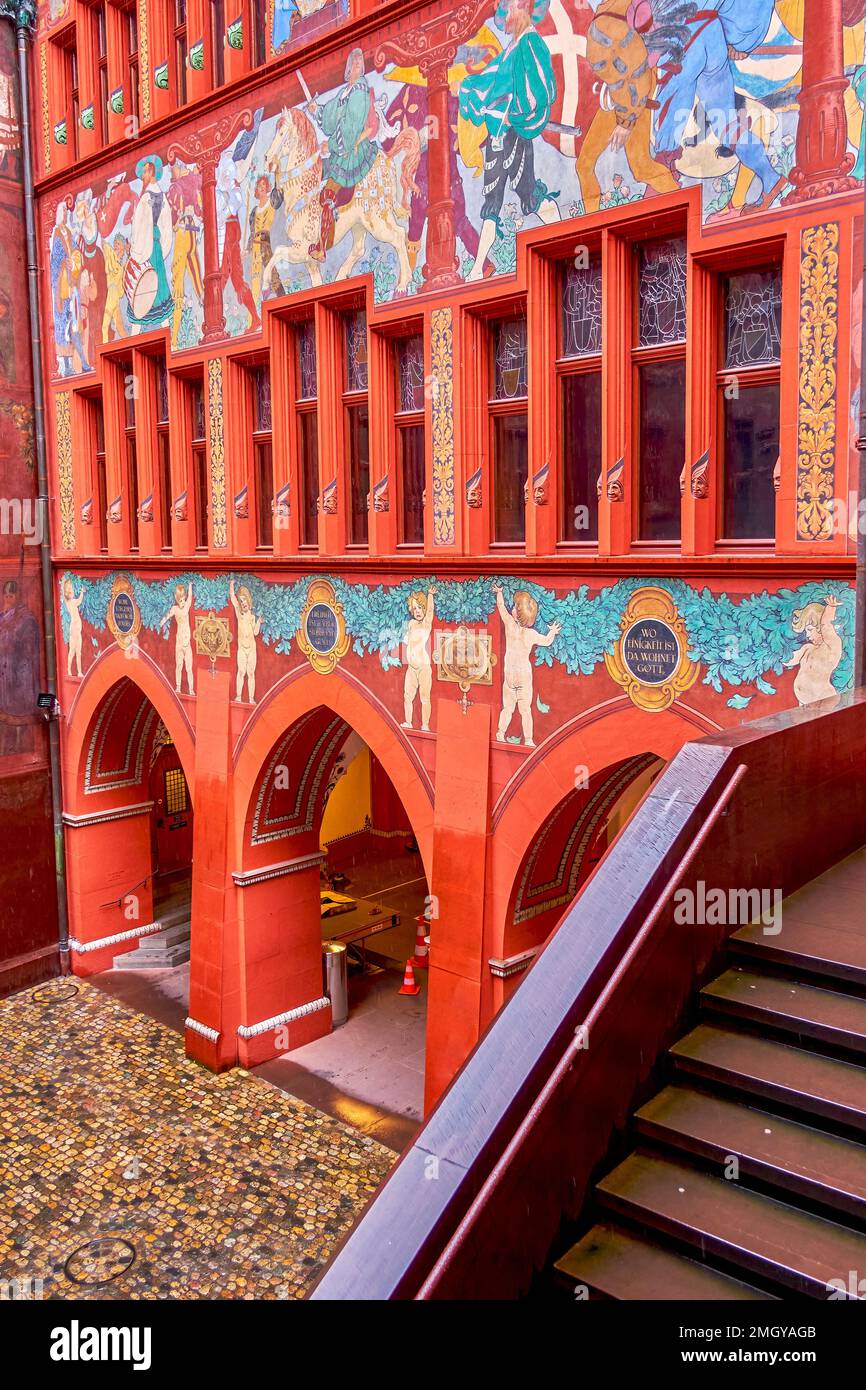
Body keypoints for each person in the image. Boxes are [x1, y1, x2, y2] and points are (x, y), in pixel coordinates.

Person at [457, 0, 560, 281]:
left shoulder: (529, 43)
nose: (507, 16)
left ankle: (565, 236)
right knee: (492, 200)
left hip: (513, 131)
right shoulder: (511, 49)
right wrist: (469, 86)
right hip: (498, 135)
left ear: (526, 9)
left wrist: (517, 112)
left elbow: (542, 87)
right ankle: (478, 267)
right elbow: (492, 80)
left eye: (512, 9)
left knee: (527, 192)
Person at [309, 48, 379, 261]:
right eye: (353, 63)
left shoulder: (359, 93)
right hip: (340, 152)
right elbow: (330, 117)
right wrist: (316, 110)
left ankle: (322, 247)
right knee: (314, 174)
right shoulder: (343, 93)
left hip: (351, 152)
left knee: (329, 192)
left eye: (359, 64)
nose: (355, 67)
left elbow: (351, 128)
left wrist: (330, 145)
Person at [493, 582, 560, 746]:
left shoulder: (509, 625)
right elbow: (546, 641)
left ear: (519, 614)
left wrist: (499, 592)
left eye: (515, 607)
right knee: (525, 710)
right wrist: (552, 631)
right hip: (523, 675)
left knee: (507, 708)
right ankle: (528, 739)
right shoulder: (531, 634)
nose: (512, 609)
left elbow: (501, 607)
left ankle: (500, 733)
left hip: (510, 674)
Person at [124, 156, 174, 333]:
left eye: (144, 172)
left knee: (141, 287)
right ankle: (169, 337)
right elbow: (166, 226)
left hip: (146, 246)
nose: (143, 177)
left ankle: (134, 336)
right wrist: (162, 244)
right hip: (157, 246)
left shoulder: (146, 198)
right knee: (159, 286)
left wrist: (135, 251)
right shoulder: (162, 197)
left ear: (151, 171)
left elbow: (139, 227)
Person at [217, 167, 259, 332]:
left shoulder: (234, 191)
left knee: (231, 278)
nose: (226, 176)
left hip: (230, 233)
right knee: (225, 278)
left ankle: (255, 318)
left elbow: (233, 208)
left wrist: (220, 215)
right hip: (224, 235)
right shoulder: (220, 191)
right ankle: (253, 318)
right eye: (224, 174)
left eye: (228, 173)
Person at [784, 596, 843, 706]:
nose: (807, 635)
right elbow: (790, 660)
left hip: (823, 699)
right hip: (804, 702)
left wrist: (831, 607)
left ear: (820, 628)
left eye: (810, 630)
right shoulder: (808, 648)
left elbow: (826, 626)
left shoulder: (832, 646)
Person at [244, 175, 285, 310]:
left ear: (267, 187)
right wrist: (247, 249)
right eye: (258, 186)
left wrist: (277, 175)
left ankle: (282, 299)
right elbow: (251, 232)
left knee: (271, 273)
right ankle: (256, 314)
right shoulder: (254, 211)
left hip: (266, 241)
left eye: (263, 185)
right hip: (255, 244)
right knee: (255, 278)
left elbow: (278, 195)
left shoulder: (271, 202)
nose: (260, 188)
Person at [402, 587, 435, 732]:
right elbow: (405, 641)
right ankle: (408, 722)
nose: (417, 611)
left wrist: (430, 595)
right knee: (407, 696)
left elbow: (430, 612)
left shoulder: (426, 624)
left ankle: (425, 724)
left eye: (420, 607)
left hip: (423, 667)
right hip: (411, 668)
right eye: (414, 608)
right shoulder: (411, 624)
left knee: (424, 697)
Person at [229, 579, 261, 703]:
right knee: (241, 671)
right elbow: (232, 598)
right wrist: (231, 585)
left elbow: (256, 632)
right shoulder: (239, 614)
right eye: (241, 601)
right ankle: (239, 696)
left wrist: (258, 622)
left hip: (251, 649)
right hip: (242, 648)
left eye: (244, 600)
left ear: (249, 600)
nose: (243, 603)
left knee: (251, 673)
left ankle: (251, 699)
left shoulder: (252, 617)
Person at [160, 582, 195, 696]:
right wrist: (161, 622)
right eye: (179, 599)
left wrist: (190, 585)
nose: (182, 601)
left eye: (182, 599)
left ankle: (191, 689)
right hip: (179, 641)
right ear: (177, 598)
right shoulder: (175, 609)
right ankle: (178, 687)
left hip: (187, 642)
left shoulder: (186, 607)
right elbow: (167, 615)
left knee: (189, 668)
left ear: (184, 598)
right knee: (179, 665)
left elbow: (190, 596)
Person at [62, 578, 84, 678]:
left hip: (77, 630)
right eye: (70, 589)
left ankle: (79, 672)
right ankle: (70, 669)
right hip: (74, 629)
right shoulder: (70, 602)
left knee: (78, 652)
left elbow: (79, 600)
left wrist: (82, 593)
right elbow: (79, 600)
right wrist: (64, 583)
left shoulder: (73, 601)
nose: (72, 591)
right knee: (73, 651)